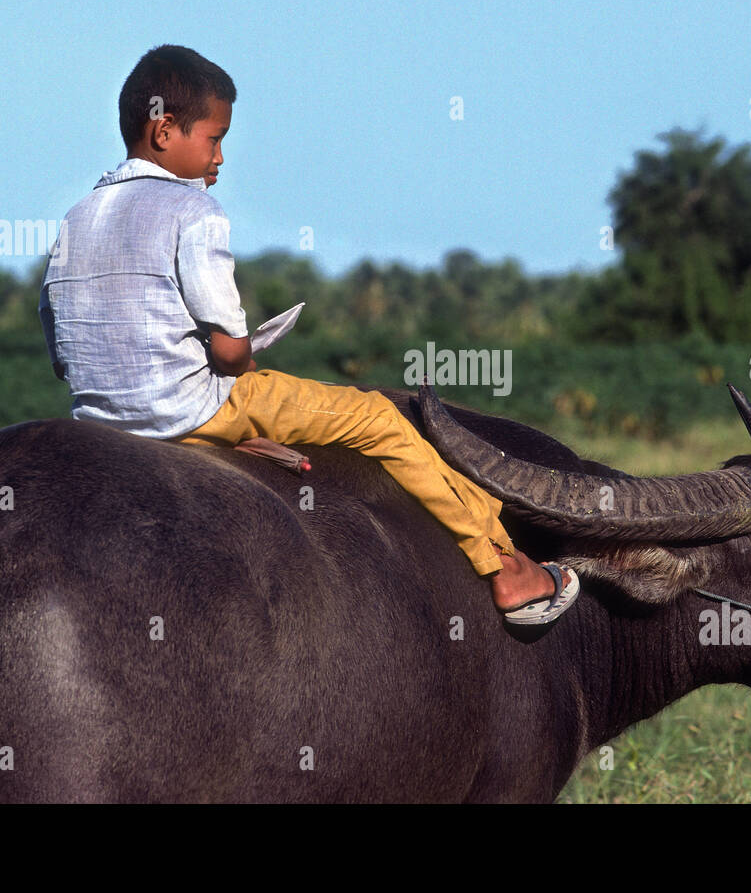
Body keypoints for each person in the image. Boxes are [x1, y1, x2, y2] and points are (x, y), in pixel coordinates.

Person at [39, 44, 577, 625]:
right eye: (214, 139)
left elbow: (59, 349)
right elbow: (227, 352)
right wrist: (242, 351)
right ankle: (505, 566)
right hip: (192, 410)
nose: (220, 157)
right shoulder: (194, 211)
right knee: (379, 420)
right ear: (165, 129)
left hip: (99, 421)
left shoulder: (78, 215)